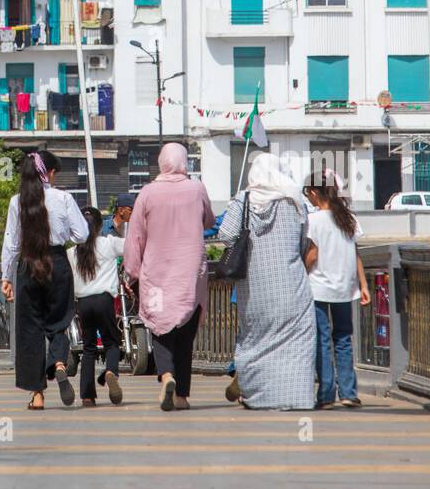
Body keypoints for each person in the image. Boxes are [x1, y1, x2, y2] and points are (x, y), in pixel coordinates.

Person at [218, 153, 315, 410]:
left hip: (255, 286)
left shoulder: (244, 199)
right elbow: (304, 241)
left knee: (255, 338)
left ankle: (257, 395)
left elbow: (226, 234)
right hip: (292, 285)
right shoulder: (295, 199)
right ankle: (298, 397)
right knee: (297, 342)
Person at [124, 142, 214, 411]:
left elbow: (135, 236)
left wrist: (132, 272)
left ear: (162, 161)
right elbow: (208, 220)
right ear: (184, 161)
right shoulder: (196, 188)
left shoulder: (148, 193)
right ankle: (182, 396)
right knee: (185, 335)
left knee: (160, 330)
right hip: (190, 274)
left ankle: (166, 376)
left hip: (157, 275)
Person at [1, 150, 89, 409]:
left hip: (28, 266)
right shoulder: (63, 198)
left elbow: (11, 243)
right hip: (58, 264)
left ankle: (37, 395)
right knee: (59, 321)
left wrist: (6, 277)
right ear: (49, 173)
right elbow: (82, 234)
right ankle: (60, 362)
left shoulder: (17, 202)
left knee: (30, 330)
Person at [303, 172, 371, 409]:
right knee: (343, 338)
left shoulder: (314, 220)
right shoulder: (348, 218)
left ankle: (326, 395)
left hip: (318, 288)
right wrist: (364, 285)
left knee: (322, 340)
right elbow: (355, 254)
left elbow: (312, 255)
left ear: (313, 193)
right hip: (345, 287)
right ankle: (349, 393)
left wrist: (300, 273)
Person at [70, 207, 124, 407]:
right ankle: (111, 371)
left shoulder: (73, 251)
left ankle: (87, 396)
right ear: (100, 225)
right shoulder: (109, 243)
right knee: (111, 343)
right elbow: (135, 245)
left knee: (89, 348)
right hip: (104, 300)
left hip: (83, 303)